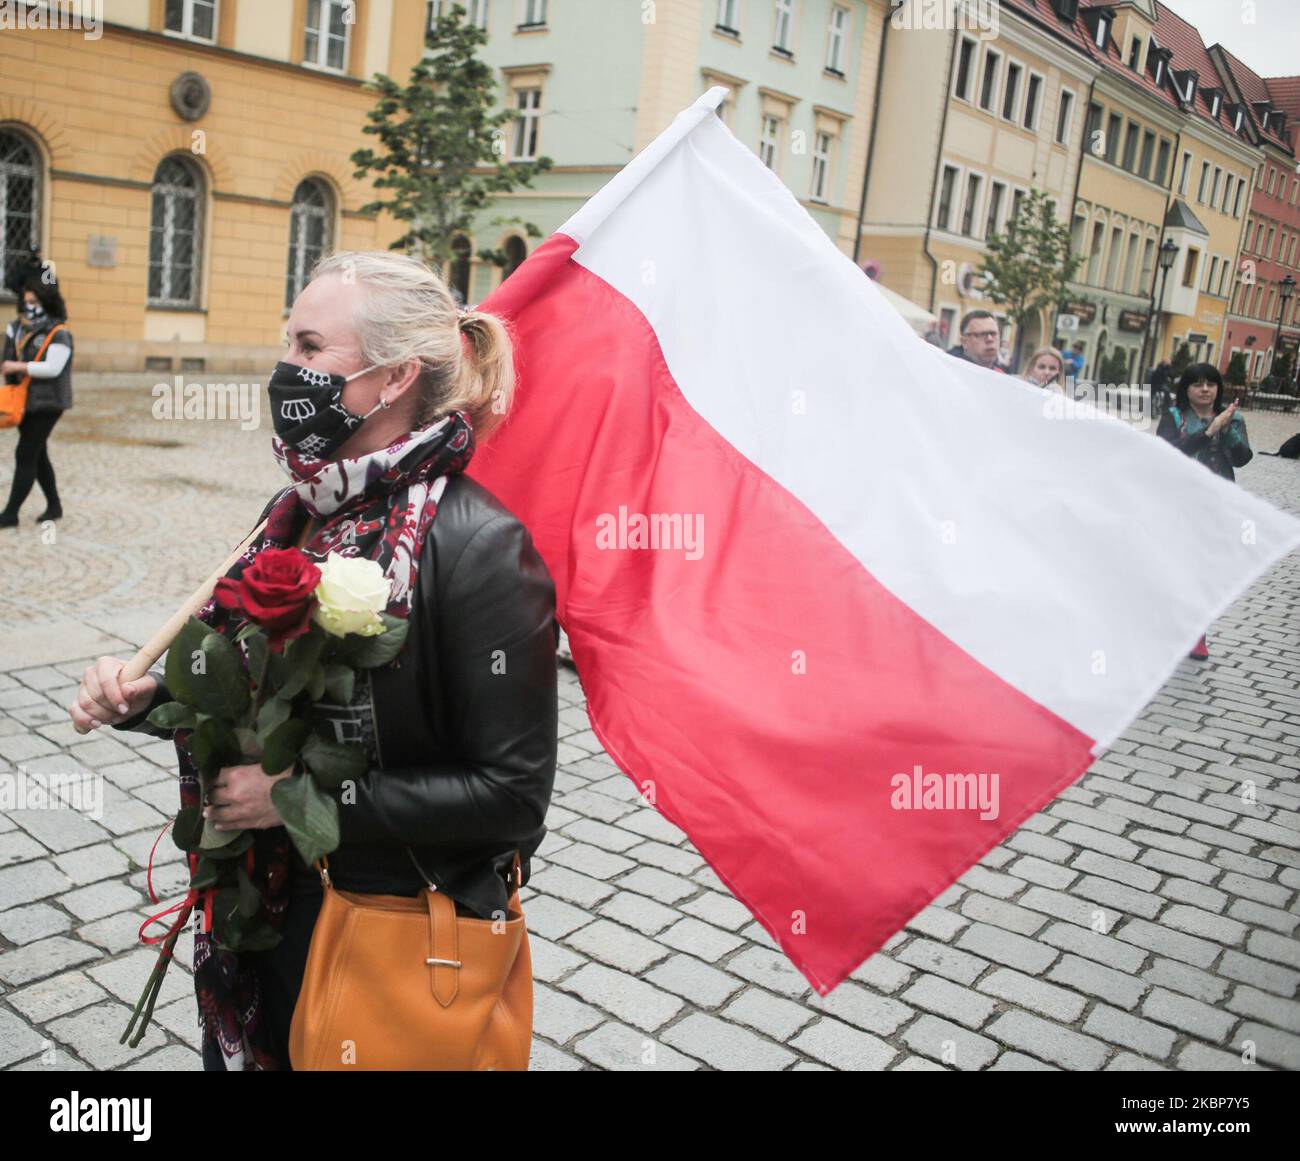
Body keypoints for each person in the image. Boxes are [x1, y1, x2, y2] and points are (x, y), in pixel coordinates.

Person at [72, 249, 559, 1071]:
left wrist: (298, 795)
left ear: (395, 375)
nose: (284, 368)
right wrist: (149, 696)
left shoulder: (481, 547)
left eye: (308, 346)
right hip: (255, 910)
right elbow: (239, 683)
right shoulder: (298, 509)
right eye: (288, 343)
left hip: (383, 924)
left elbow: (510, 797)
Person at [1156, 361, 1253, 661]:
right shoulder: (1173, 416)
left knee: (1203, 567)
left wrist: (1226, 430)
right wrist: (1209, 430)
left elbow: (1242, 458)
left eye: (1211, 384)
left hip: (1216, 501)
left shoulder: (1233, 420)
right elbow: (1168, 449)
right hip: (1178, 500)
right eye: (1197, 384)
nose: (1205, 389)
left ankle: (1196, 633)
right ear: (1186, 388)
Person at [0, 277, 72, 527]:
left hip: (49, 403)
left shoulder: (59, 332)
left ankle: (10, 514)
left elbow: (53, 368)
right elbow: (6, 360)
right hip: (23, 400)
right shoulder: (18, 328)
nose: (30, 306)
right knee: (38, 454)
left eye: (35, 301)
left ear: (47, 302)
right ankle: (54, 505)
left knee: (26, 452)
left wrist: (19, 366)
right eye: (27, 301)